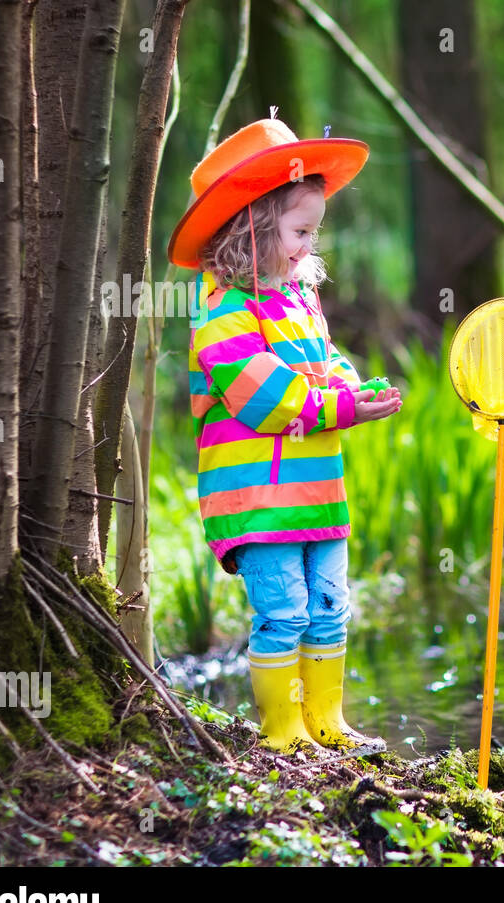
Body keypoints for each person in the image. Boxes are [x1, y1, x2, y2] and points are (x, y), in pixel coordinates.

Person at [169, 114, 402, 753]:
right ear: (251, 225)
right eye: (300, 230)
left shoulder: (300, 301)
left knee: (330, 606)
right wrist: (346, 406)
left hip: (316, 491)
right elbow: (273, 400)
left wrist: (354, 384)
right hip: (256, 497)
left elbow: (323, 367)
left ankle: (327, 718)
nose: (307, 245)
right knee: (284, 612)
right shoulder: (222, 313)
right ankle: (284, 728)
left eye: (313, 232)